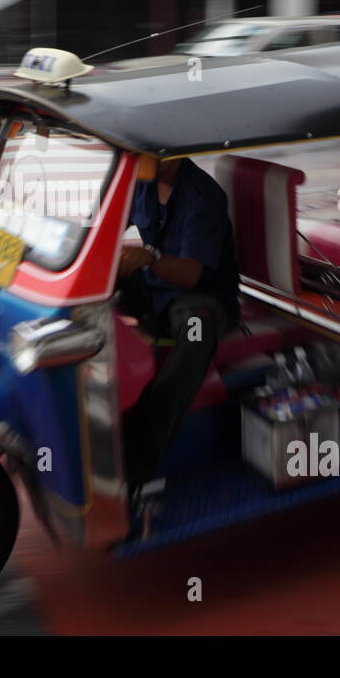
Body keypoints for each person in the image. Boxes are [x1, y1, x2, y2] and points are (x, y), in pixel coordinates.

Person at [117, 157, 238, 487]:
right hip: (153, 290)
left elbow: (191, 273)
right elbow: (108, 223)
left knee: (196, 334)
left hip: (199, 300)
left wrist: (148, 258)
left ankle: (140, 460)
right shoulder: (140, 182)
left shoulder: (204, 197)